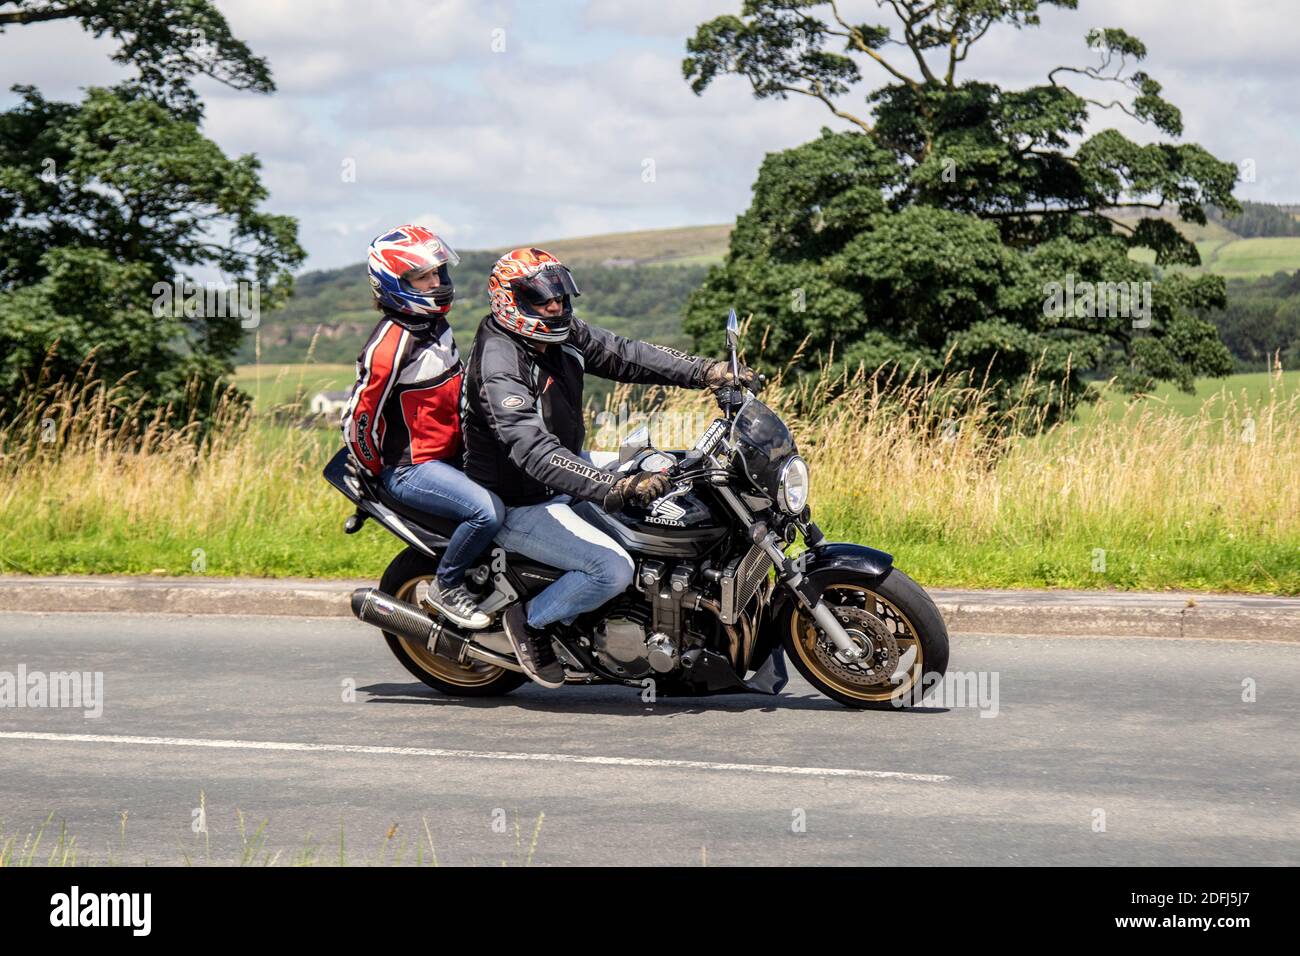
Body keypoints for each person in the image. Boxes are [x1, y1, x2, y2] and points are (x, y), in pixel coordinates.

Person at [461, 247, 755, 687]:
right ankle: (531, 622)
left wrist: (707, 372)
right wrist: (614, 485)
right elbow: (534, 452)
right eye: (542, 299)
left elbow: (625, 354)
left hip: (565, 470)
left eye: (559, 296)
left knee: (673, 472)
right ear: (511, 300)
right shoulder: (500, 363)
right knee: (611, 569)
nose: (556, 306)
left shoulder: (559, 334)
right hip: (519, 498)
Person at [342, 224, 503, 630]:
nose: (437, 282)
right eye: (423, 276)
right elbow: (359, 418)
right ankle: (447, 587)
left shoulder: (433, 326)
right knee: (486, 513)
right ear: (395, 283)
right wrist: (374, 470)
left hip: (452, 455)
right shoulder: (390, 346)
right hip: (412, 468)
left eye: (438, 273)